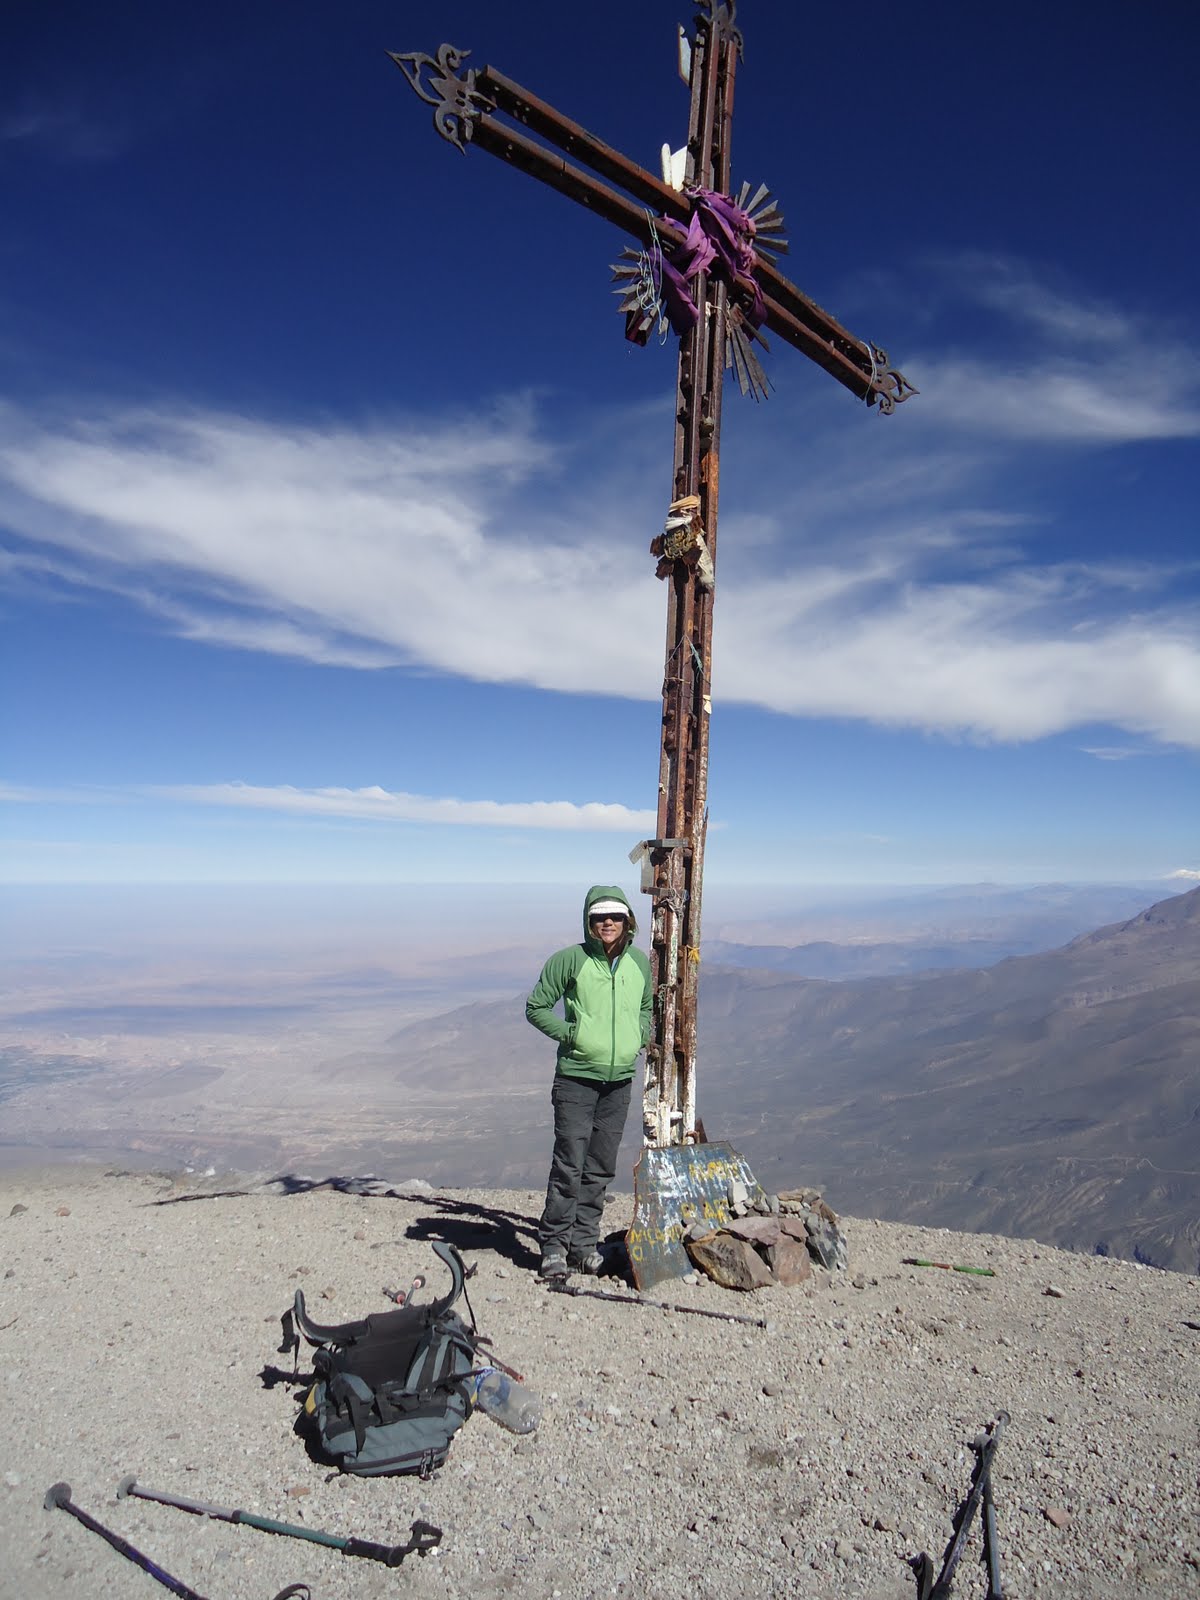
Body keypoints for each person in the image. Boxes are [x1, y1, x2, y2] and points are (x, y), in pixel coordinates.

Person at [525, 884, 652, 1277]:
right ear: (589, 922)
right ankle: (553, 1248)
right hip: (577, 1078)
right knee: (569, 1163)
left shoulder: (639, 962)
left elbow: (646, 1007)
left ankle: (583, 1245)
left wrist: (639, 1037)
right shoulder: (570, 960)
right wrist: (572, 1035)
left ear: (628, 920)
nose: (608, 923)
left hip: (619, 1081)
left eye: (615, 916)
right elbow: (536, 1006)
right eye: (599, 917)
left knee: (599, 1166)